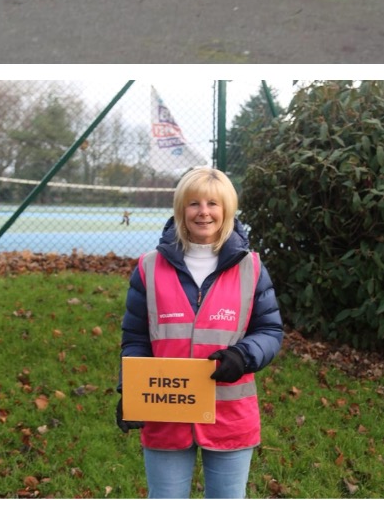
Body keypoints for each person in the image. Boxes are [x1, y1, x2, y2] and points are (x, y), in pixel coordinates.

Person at [119, 167, 283, 500]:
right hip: (165, 412)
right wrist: (131, 391)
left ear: (227, 211)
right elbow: (135, 338)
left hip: (229, 415)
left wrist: (243, 355)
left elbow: (269, 330)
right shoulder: (149, 267)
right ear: (181, 209)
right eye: (194, 203)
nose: (203, 212)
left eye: (213, 203)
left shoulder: (251, 267)